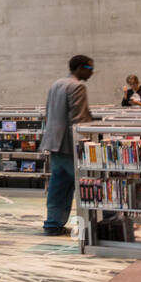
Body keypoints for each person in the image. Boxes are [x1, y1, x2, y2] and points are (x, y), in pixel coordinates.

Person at [41, 55, 94, 235]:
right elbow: (79, 120)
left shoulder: (56, 84)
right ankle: (109, 219)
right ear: (79, 68)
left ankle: (53, 224)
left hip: (54, 142)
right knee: (90, 182)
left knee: (59, 186)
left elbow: (48, 112)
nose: (92, 72)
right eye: (90, 68)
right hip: (70, 145)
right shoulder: (78, 86)